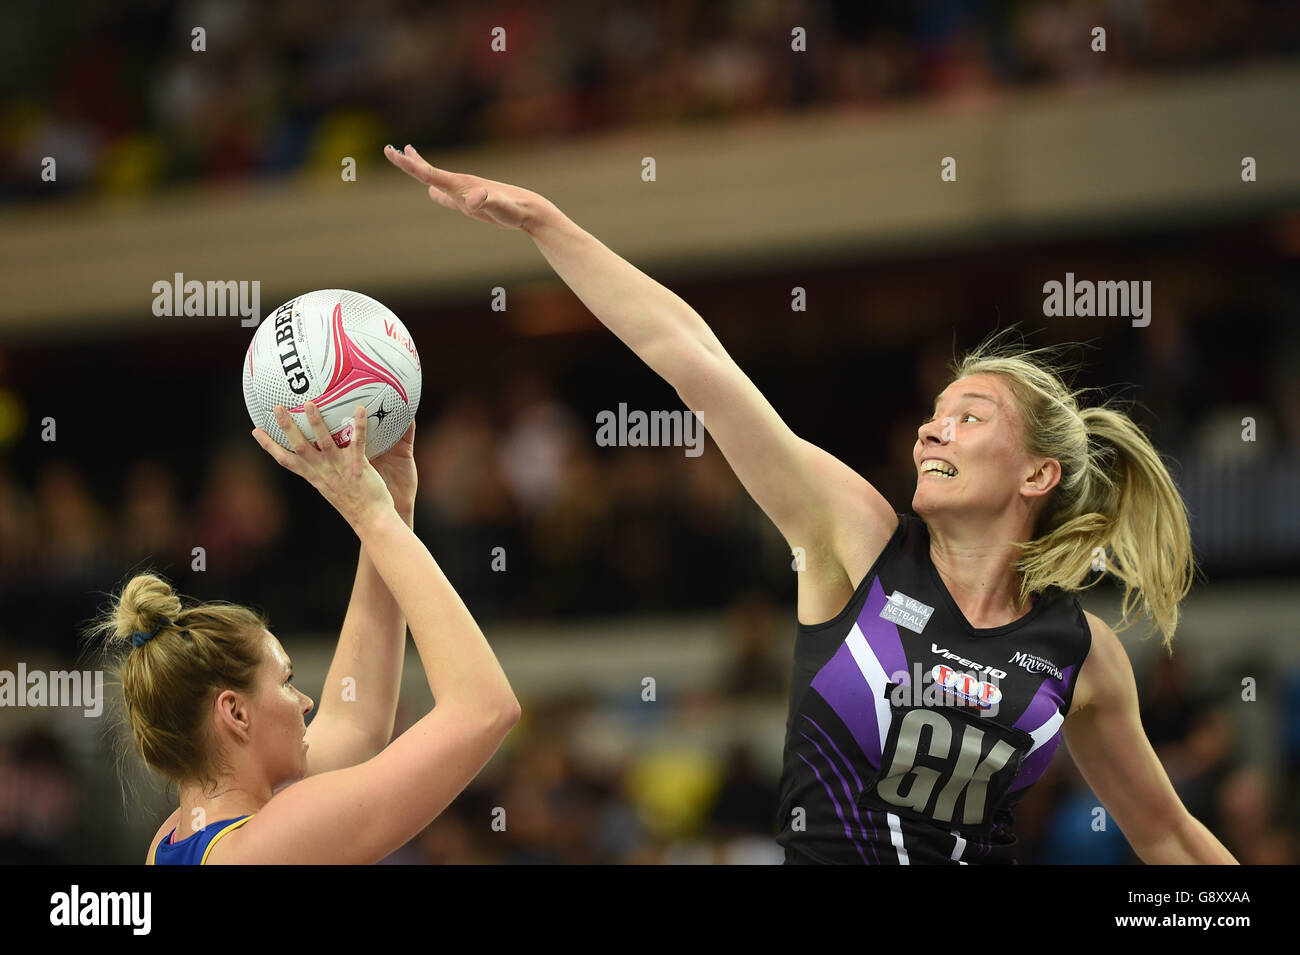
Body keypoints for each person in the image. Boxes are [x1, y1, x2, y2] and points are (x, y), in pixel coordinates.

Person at [383, 143, 1237, 864]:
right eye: (934, 418)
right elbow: (696, 360)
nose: (930, 434)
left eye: (967, 419)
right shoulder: (857, 537)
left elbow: (1167, 839)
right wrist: (546, 224)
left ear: (1037, 476)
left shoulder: (1080, 652)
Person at [88, 402, 519, 864]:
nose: (306, 702)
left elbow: (356, 721)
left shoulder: (175, 838)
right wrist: (374, 520)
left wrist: (390, 510)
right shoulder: (270, 842)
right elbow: (484, 708)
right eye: (285, 682)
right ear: (234, 711)